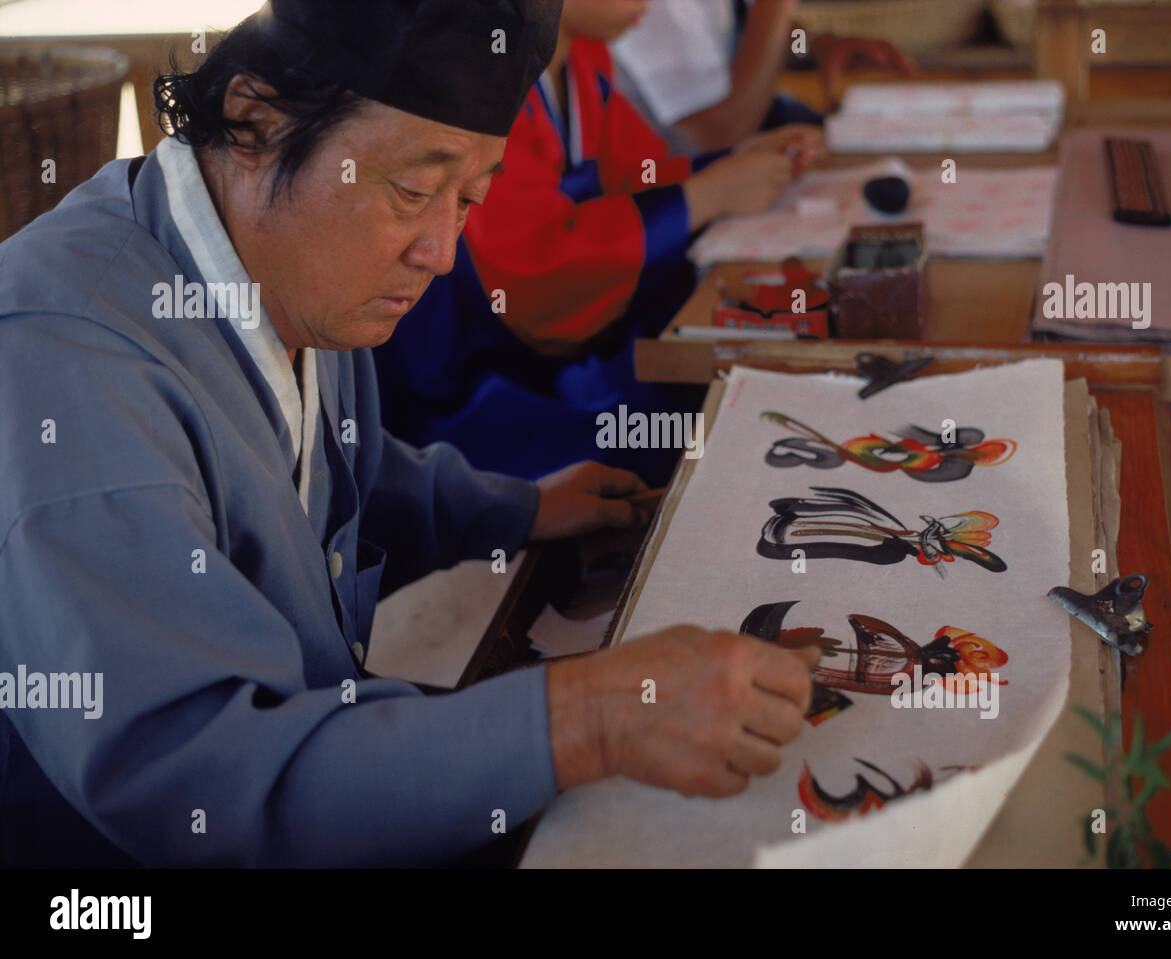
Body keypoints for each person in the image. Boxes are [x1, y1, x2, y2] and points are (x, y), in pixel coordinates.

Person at [0, 0, 817, 868]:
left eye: (469, 200)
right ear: (253, 123)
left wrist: (518, 509)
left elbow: (327, 466)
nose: (442, 251)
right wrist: (590, 716)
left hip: (308, 730)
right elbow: (195, 780)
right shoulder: (73, 358)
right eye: (413, 192)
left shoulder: (287, 272)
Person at [373, 0, 821, 483]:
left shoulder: (583, 58)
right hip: (484, 388)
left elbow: (636, 174)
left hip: (570, 354)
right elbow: (537, 273)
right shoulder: (482, 75)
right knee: (699, 436)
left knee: (733, 409)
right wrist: (705, 195)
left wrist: (731, 168)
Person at [613, 0, 913, 153]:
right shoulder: (652, 8)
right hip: (680, 210)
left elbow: (757, 33)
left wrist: (816, 45)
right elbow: (717, 135)